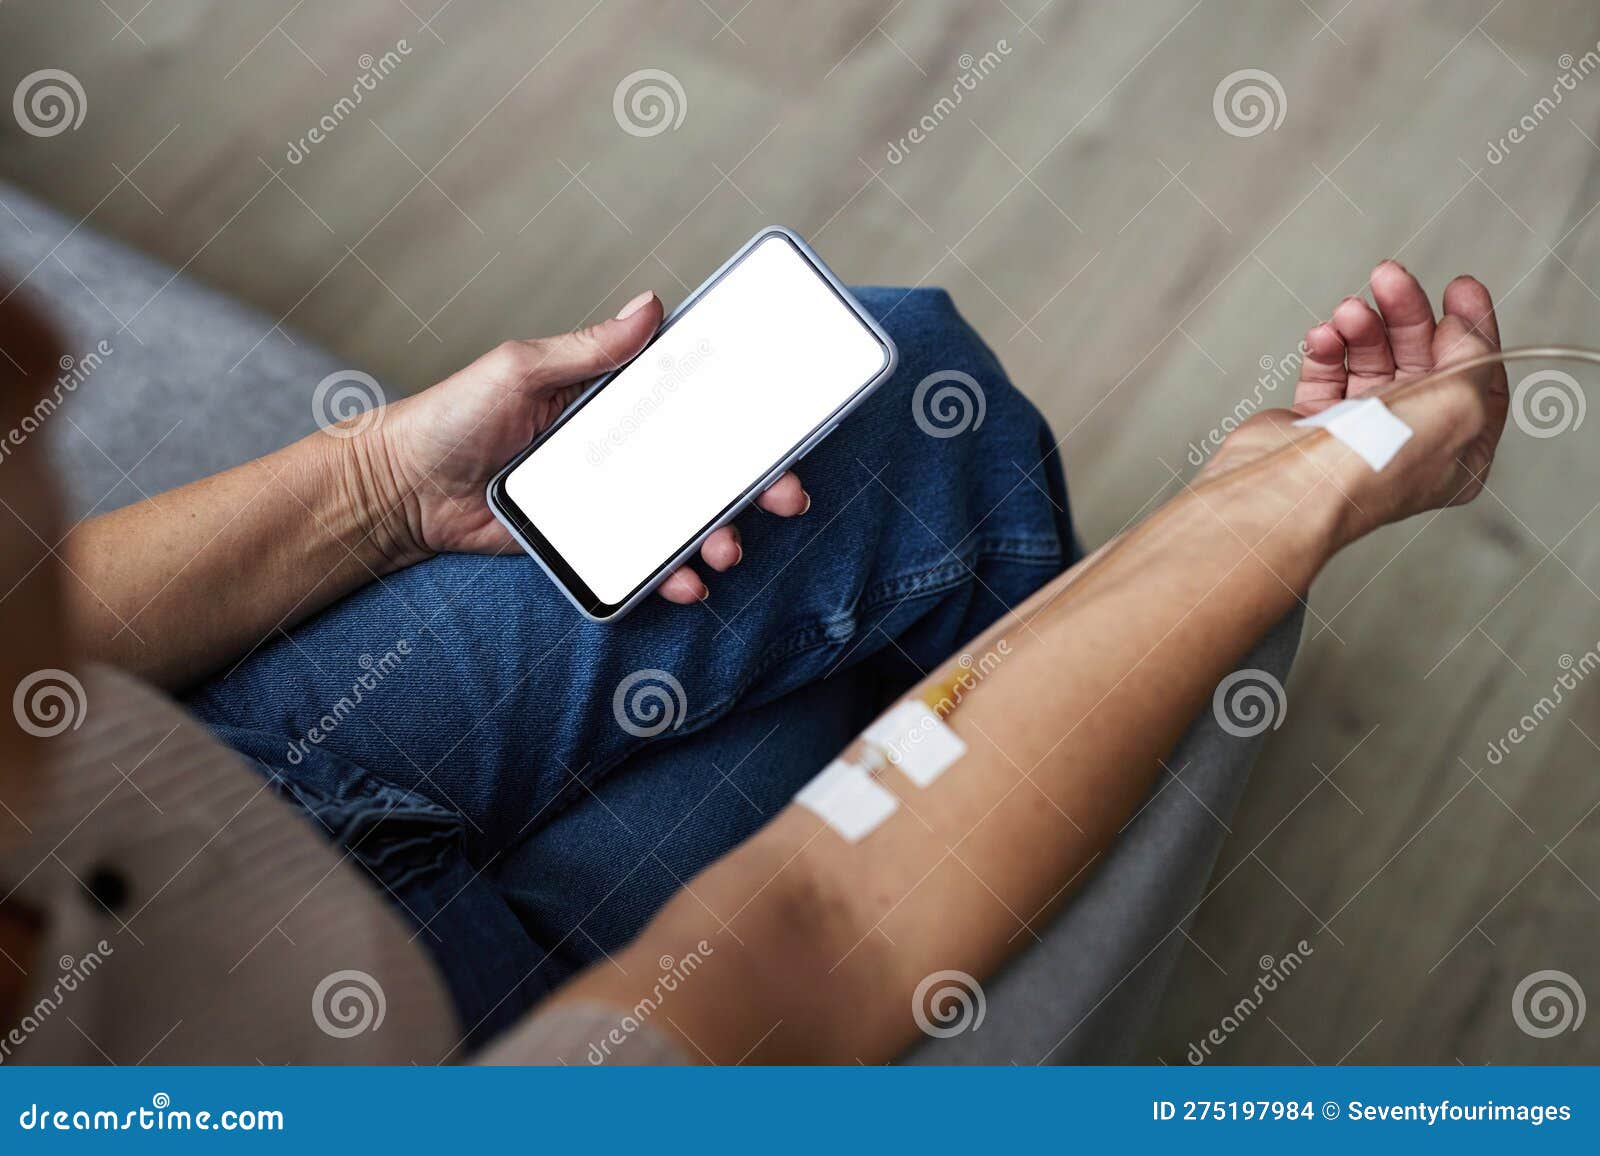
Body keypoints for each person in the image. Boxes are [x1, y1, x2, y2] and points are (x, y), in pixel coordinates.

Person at [0, 249, 1505, 1063]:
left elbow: (38, 624)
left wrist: (389, 486)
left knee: (896, 391)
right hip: (454, 1042)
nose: (37, 345)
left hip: (216, 772)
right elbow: (829, 919)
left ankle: (1009, 677)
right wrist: (1287, 499)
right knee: (896, 662)